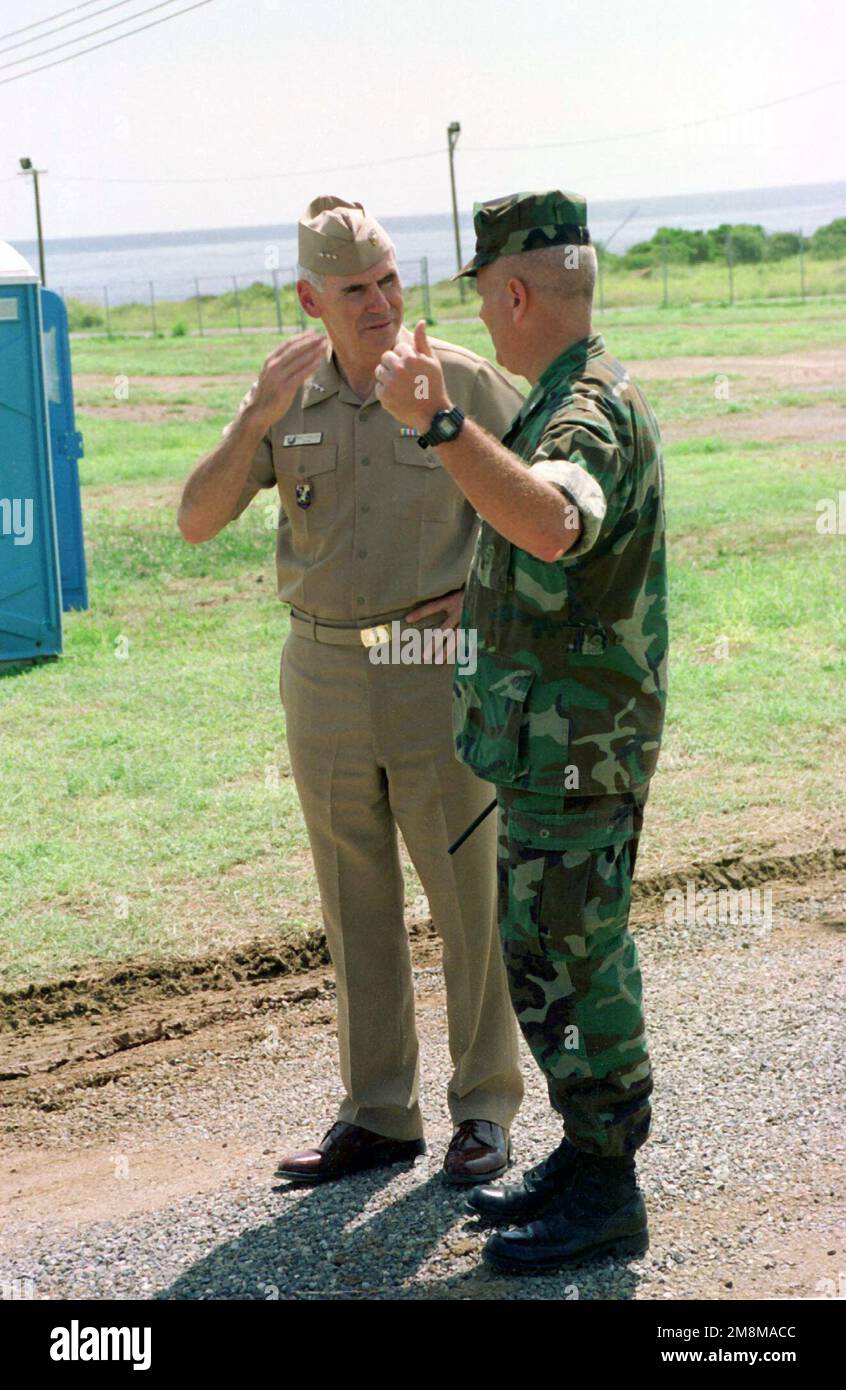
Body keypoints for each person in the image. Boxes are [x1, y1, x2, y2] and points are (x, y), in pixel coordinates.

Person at [177, 195, 526, 1186]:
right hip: (322, 670)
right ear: (309, 297)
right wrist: (253, 412)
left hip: (431, 669)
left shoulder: (453, 377)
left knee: (468, 891)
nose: (378, 302)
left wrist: (489, 595)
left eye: (389, 282)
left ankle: (485, 1110)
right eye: (354, 289)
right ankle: (379, 1113)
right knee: (353, 897)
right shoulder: (284, 398)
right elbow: (197, 520)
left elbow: (564, 497)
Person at [374, 189, 668, 1271]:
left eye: (485, 302)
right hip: (550, 752)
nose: (483, 325)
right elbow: (544, 548)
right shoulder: (557, 395)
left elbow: (552, 518)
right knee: (545, 960)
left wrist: (442, 426)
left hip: (579, 759)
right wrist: (480, 598)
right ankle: (585, 1160)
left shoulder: (588, 408)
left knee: (578, 967)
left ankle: (610, 1185)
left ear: (513, 291)